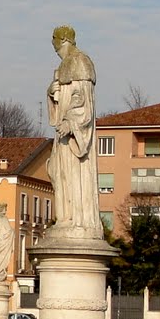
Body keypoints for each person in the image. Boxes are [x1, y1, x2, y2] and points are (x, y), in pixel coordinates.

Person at [46, 26, 102, 237]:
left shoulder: (80, 62)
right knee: (57, 172)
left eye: (54, 39)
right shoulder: (62, 67)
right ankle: (64, 218)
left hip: (73, 135)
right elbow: (60, 99)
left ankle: (78, 220)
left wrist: (70, 122)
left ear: (62, 40)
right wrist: (51, 93)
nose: (53, 45)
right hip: (61, 135)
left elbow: (83, 100)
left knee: (73, 175)